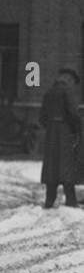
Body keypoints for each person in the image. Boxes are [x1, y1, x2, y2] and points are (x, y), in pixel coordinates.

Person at [39, 67, 81, 207]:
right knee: (66, 166)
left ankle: (49, 200)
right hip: (64, 132)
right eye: (72, 82)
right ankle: (71, 201)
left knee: (51, 165)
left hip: (51, 132)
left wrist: (50, 126)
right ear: (69, 79)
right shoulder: (67, 93)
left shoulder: (49, 93)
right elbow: (73, 114)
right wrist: (76, 130)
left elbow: (42, 117)